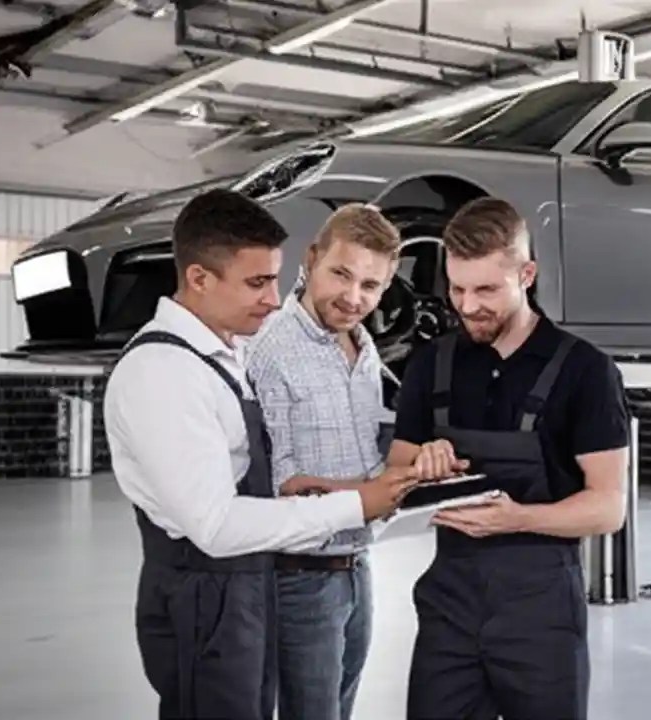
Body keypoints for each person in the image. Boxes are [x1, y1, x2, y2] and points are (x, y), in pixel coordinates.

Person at [102, 189, 418, 720]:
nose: (272, 300)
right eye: (257, 283)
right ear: (200, 278)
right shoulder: (166, 371)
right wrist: (357, 501)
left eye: (372, 285)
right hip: (213, 585)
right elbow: (216, 524)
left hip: (252, 580)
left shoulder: (223, 353)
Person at [391, 196, 632, 720]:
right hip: (448, 606)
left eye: (486, 290)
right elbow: (394, 477)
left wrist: (518, 518)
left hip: (541, 611)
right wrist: (421, 467)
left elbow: (608, 507)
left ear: (526, 275)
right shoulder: (431, 365)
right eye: (457, 288)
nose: (468, 305)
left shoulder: (586, 371)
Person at [243, 203, 405, 720]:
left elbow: (371, 444)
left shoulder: (363, 344)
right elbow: (282, 484)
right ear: (311, 260)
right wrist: (373, 495)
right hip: (300, 577)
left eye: (371, 285)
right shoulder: (271, 347)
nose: (354, 297)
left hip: (358, 565)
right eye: (341, 273)